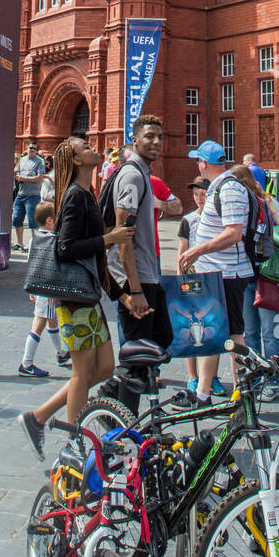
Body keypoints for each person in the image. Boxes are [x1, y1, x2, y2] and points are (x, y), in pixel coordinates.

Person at [19, 135, 134, 460]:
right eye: (85, 147)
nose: (93, 148)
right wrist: (108, 237)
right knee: (83, 373)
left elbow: (93, 259)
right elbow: (66, 248)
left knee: (105, 368)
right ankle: (73, 445)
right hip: (74, 300)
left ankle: (38, 417)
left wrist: (121, 296)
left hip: (88, 297)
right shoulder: (73, 196)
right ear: (76, 159)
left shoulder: (86, 193)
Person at [179, 140, 253, 405]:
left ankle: (242, 393)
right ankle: (203, 393)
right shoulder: (219, 187)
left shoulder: (229, 188)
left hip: (228, 275)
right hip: (216, 274)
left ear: (204, 163)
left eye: (198, 160)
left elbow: (234, 233)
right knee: (212, 335)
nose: (198, 164)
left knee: (234, 336)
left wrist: (199, 251)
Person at [106, 117, 173, 391]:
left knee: (162, 337)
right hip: (135, 280)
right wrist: (133, 291)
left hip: (148, 273)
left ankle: (113, 396)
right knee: (138, 359)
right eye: (149, 136)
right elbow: (123, 237)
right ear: (135, 139)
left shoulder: (143, 173)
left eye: (159, 136)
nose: (156, 141)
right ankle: (119, 422)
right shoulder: (132, 175)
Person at [232, 164, 279, 396]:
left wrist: (271, 239)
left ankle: (273, 380)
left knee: (270, 330)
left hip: (267, 275)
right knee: (250, 332)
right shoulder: (238, 204)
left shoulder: (267, 202)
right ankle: (255, 377)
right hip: (245, 274)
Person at [176, 176, 227, 396]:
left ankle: (212, 377)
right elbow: (181, 252)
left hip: (211, 277)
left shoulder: (218, 219)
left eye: (203, 194)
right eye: (196, 194)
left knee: (212, 330)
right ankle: (192, 377)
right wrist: (180, 280)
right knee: (190, 330)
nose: (199, 198)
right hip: (191, 278)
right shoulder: (188, 220)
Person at [17, 200, 70, 378]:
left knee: (51, 320)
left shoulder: (34, 238)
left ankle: (60, 353)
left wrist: (31, 287)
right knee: (39, 323)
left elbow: (31, 263)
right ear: (49, 220)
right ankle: (26, 362)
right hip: (48, 288)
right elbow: (53, 266)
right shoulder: (52, 240)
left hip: (40, 286)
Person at [12, 141, 45, 251]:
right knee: (16, 218)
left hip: (33, 195)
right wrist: (17, 175)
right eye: (31, 148)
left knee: (32, 221)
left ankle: (34, 245)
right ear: (26, 148)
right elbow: (16, 170)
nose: (32, 150)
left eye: (35, 148)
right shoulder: (22, 160)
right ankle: (20, 243)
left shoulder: (40, 161)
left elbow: (41, 177)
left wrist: (25, 178)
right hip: (21, 194)